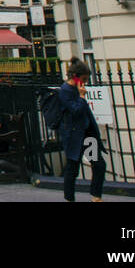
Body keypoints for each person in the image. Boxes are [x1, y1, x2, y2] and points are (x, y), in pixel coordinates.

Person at [57, 58, 106, 202]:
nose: (85, 82)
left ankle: (96, 196)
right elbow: (76, 110)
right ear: (75, 77)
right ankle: (69, 198)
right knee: (73, 167)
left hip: (87, 134)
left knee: (98, 164)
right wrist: (82, 96)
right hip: (74, 136)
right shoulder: (65, 91)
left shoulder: (78, 89)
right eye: (84, 79)